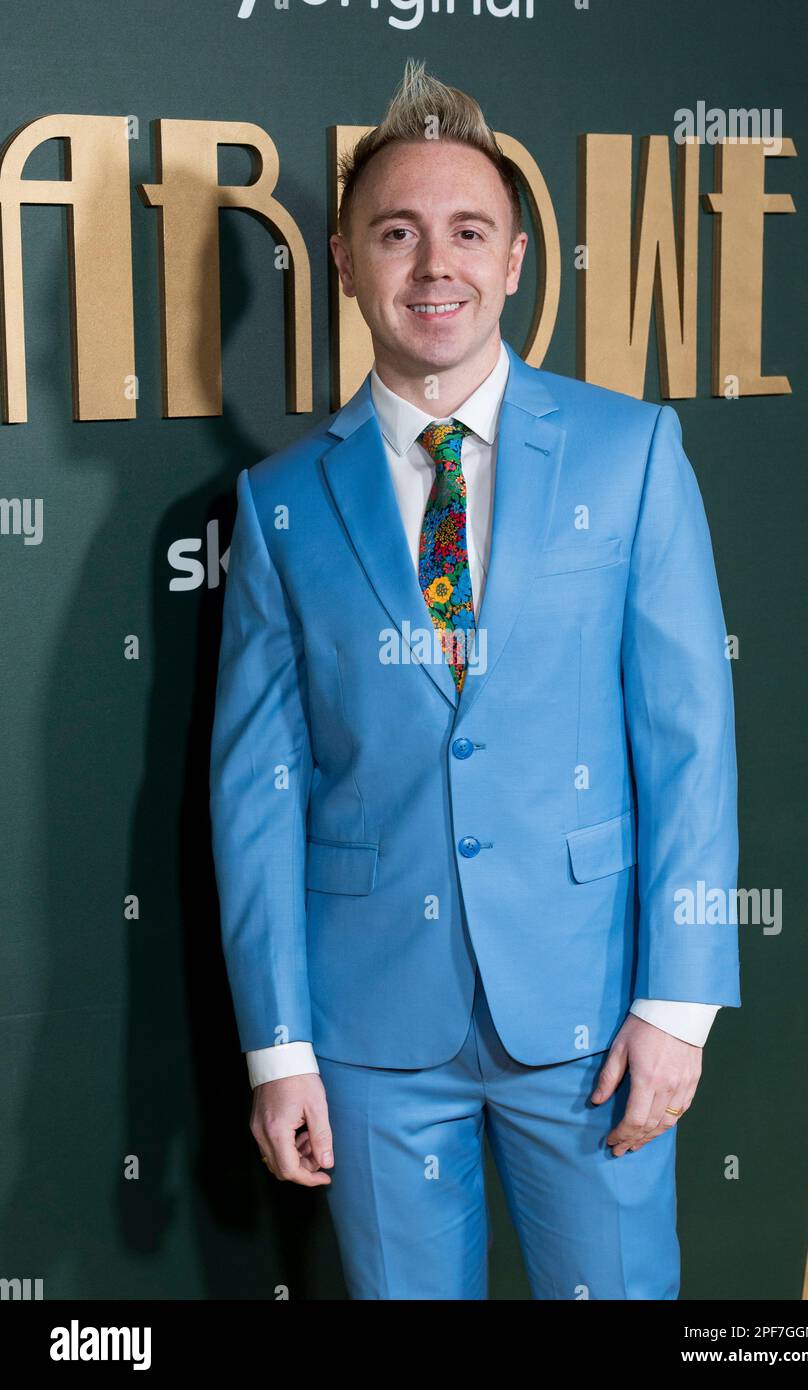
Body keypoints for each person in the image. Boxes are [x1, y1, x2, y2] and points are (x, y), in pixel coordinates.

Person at [209, 58, 740, 1300]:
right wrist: (277, 1046)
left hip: (594, 1017)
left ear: (512, 262)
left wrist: (679, 1003)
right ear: (344, 263)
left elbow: (688, 740)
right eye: (396, 233)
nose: (432, 264)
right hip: (369, 1037)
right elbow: (256, 794)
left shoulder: (632, 452)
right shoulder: (280, 505)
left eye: (466, 232)